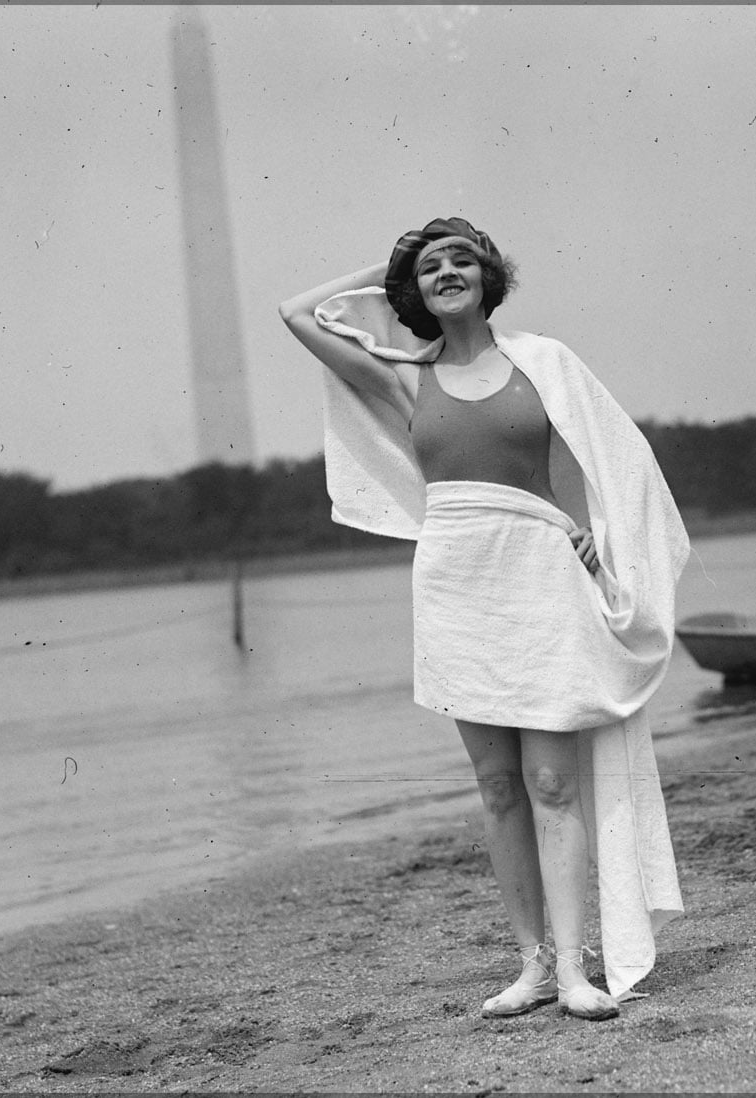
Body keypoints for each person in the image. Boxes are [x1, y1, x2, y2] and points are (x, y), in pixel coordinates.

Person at [279, 218, 687, 1021]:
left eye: (462, 260)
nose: (447, 273)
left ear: (489, 276)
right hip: (456, 585)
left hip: (540, 579)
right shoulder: (403, 377)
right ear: (412, 291)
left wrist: (590, 536)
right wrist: (394, 265)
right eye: (431, 268)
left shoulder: (543, 365)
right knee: (499, 789)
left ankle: (574, 972)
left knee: (550, 783)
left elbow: (608, 461)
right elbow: (298, 314)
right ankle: (531, 968)